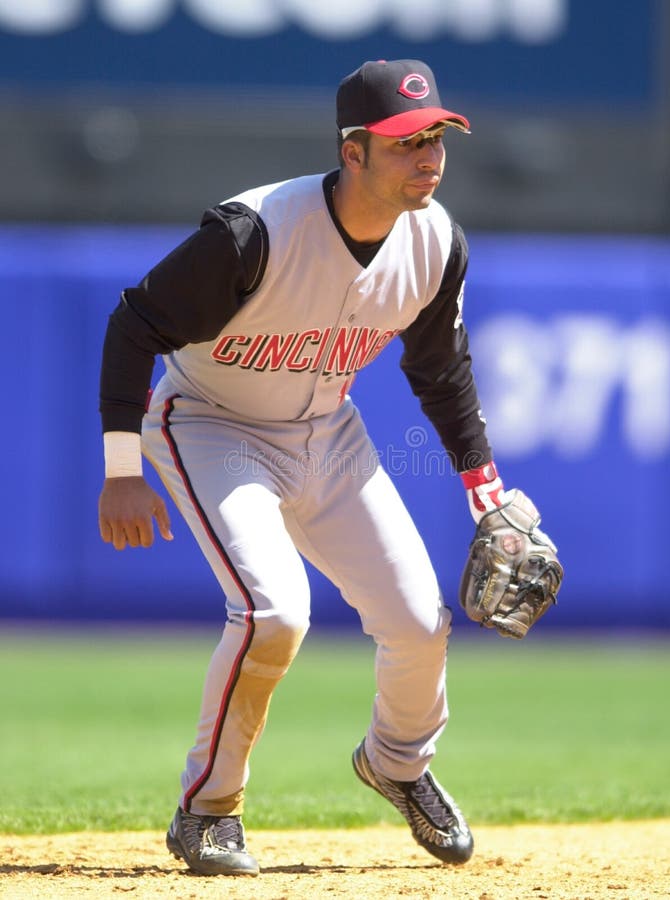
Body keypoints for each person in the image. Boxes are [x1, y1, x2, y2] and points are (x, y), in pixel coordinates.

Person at [98, 58, 509, 877]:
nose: (427, 155)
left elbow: (440, 371)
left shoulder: (434, 243)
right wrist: (120, 469)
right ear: (351, 152)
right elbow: (133, 323)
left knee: (420, 623)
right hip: (214, 425)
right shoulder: (254, 235)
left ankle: (397, 762)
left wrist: (485, 495)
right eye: (403, 142)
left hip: (331, 434)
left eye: (436, 138)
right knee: (274, 613)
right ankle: (207, 809)